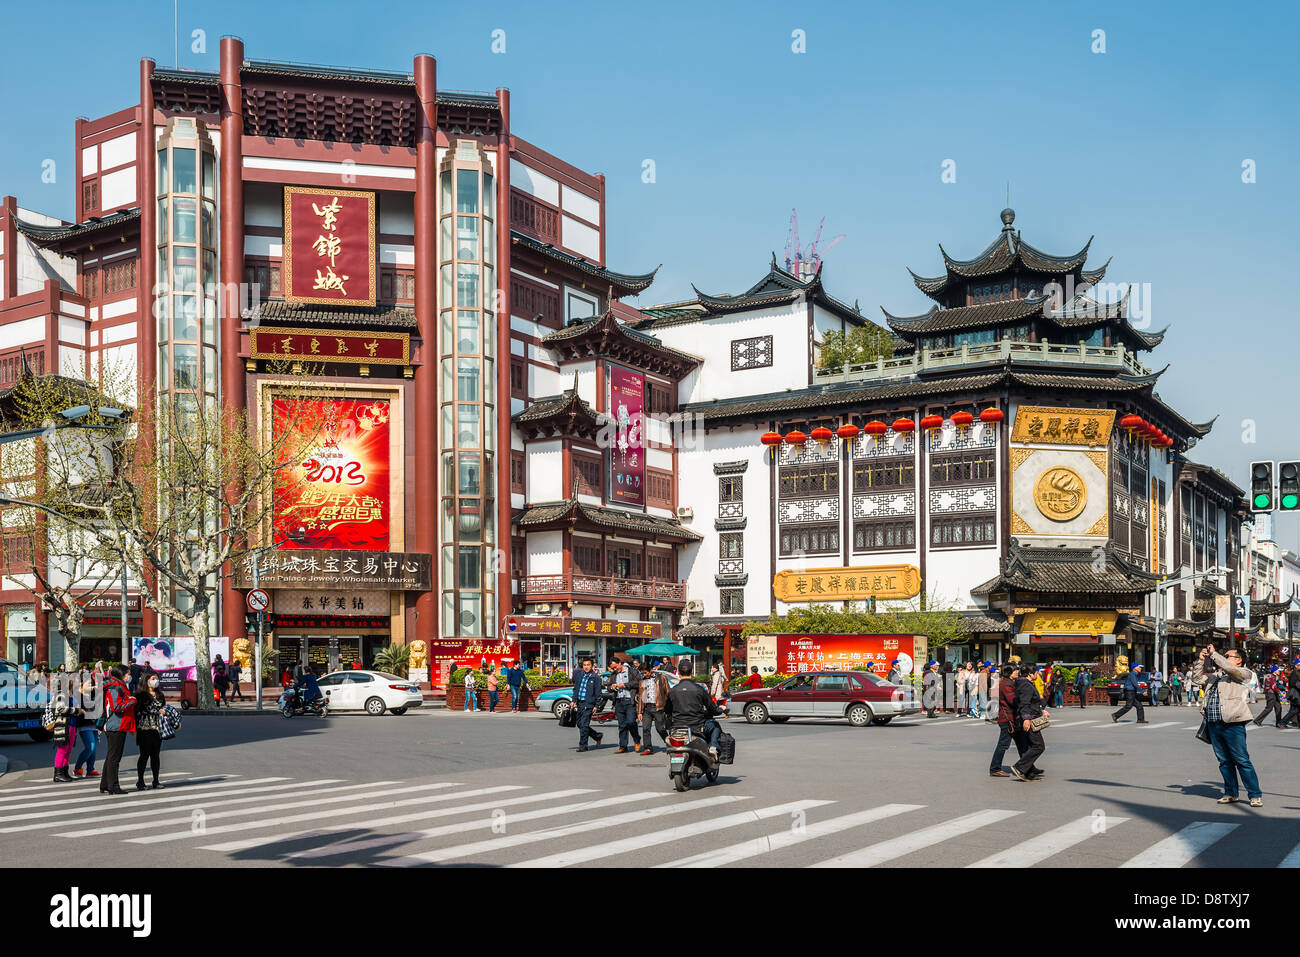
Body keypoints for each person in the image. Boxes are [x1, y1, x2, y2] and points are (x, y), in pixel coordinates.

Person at [1189, 644, 1263, 807]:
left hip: (1233, 722)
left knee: (1242, 760)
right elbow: (1196, 679)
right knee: (1224, 761)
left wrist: (1214, 654)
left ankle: (1255, 794)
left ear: (1239, 660)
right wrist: (1200, 661)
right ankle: (1231, 793)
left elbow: (1230, 669)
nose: (1224, 658)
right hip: (1214, 723)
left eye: (1228, 656)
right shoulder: (1216, 676)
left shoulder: (1243, 673)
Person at [663, 658, 725, 756]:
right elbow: (713, 709)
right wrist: (721, 709)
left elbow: (667, 709)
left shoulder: (673, 691)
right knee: (715, 726)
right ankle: (713, 747)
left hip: (677, 728)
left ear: (678, 672)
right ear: (692, 671)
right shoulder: (699, 689)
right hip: (697, 727)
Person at [100, 665, 136, 795]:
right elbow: (117, 706)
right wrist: (132, 701)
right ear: (121, 675)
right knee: (115, 758)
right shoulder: (115, 687)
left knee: (111, 756)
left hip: (117, 725)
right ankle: (113, 786)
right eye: (127, 674)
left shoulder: (118, 685)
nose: (129, 676)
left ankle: (104, 784)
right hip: (116, 725)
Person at [1011, 665, 1049, 782]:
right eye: (1036, 672)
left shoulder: (1024, 683)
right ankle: (1020, 767)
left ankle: (1029, 771)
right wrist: (1026, 719)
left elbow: (1031, 702)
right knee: (1039, 746)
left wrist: (1041, 710)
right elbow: (1024, 703)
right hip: (1030, 719)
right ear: (1030, 673)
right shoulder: (1025, 685)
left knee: (1030, 746)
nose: (1038, 674)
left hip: (1031, 716)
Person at [134, 673, 167, 790]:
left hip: (157, 728)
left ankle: (156, 780)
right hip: (144, 728)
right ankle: (140, 781)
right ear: (146, 680)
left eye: (157, 678)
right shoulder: (140, 695)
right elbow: (138, 711)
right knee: (144, 754)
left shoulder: (160, 695)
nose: (156, 680)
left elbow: (164, 708)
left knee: (155, 755)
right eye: (153, 679)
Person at [989, 663, 1022, 777]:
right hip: (1007, 719)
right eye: (1015, 670)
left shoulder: (1009, 682)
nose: (1017, 672)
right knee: (1003, 744)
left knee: (1021, 744)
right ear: (1009, 672)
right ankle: (995, 768)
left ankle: (1026, 766)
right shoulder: (1006, 684)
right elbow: (1013, 700)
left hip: (1011, 718)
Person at [46, 686, 82, 783]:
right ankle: (58, 774)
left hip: (72, 724)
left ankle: (65, 772)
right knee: (62, 750)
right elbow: (60, 709)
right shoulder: (61, 693)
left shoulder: (71, 694)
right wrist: (76, 710)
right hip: (63, 725)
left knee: (68, 750)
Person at [571, 657, 604, 752]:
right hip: (580, 703)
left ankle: (583, 745)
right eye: (584, 665)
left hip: (589, 704)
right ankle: (597, 736)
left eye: (588, 665)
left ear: (592, 666)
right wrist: (573, 700)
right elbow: (576, 689)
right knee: (579, 724)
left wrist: (597, 706)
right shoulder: (579, 675)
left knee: (584, 725)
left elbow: (598, 693)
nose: (586, 667)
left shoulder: (596, 678)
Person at [611, 656, 642, 753]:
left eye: (615, 667)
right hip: (619, 701)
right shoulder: (614, 674)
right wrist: (611, 687)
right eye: (613, 668)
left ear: (620, 663)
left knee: (631, 722)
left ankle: (637, 740)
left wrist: (625, 685)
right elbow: (607, 685)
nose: (614, 669)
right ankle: (623, 746)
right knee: (622, 725)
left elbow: (638, 683)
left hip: (630, 700)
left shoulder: (632, 671)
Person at [73, 674, 101, 778]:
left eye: (92, 684)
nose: (92, 686)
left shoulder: (93, 695)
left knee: (93, 749)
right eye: (89, 683)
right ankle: (77, 768)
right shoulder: (77, 696)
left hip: (94, 724)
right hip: (84, 724)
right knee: (90, 747)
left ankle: (90, 769)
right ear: (81, 685)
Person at [636, 662, 660, 755]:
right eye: (642, 673)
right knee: (645, 728)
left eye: (645, 673)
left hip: (657, 707)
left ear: (650, 670)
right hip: (647, 708)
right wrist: (639, 712)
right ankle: (648, 748)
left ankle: (669, 744)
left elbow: (667, 692)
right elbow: (641, 697)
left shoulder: (660, 678)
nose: (644, 675)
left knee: (660, 729)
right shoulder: (642, 681)